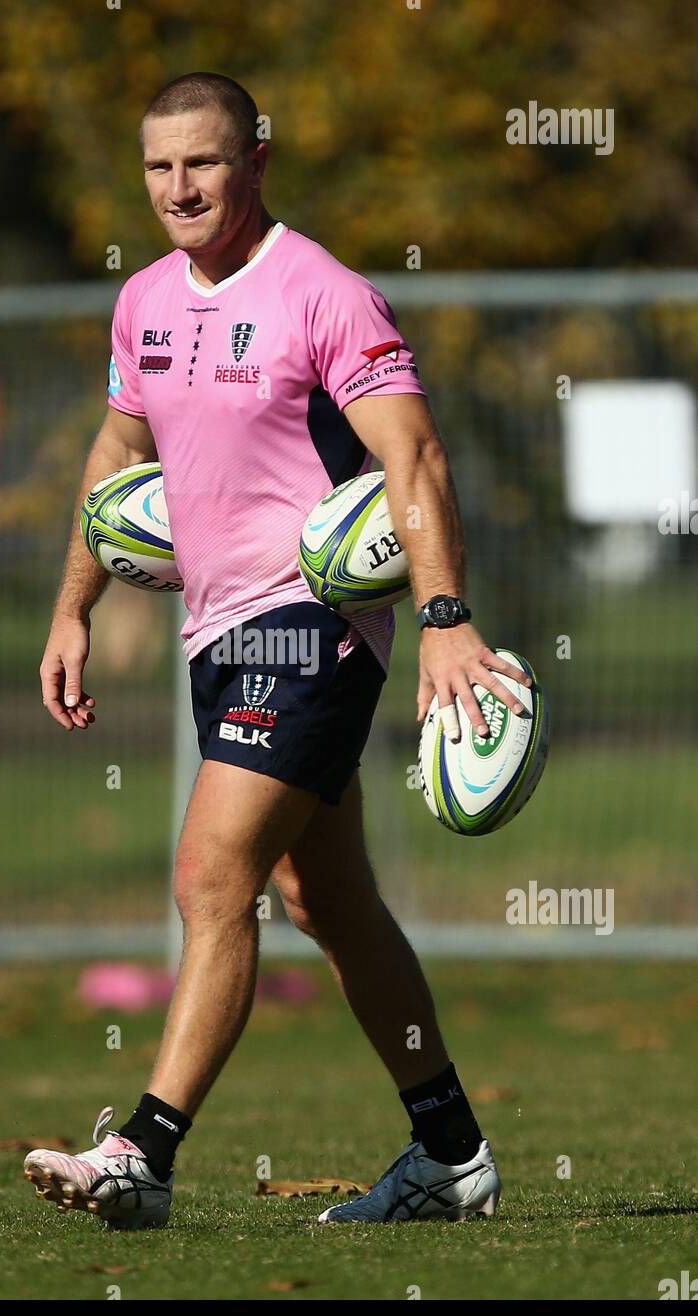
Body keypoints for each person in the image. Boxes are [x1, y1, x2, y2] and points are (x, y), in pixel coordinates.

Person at [30, 72, 531, 1228]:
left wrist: (445, 618)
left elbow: (415, 460)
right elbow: (116, 451)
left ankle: (142, 1154)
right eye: (158, 167)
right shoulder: (144, 301)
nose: (177, 188)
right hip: (213, 629)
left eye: (201, 162)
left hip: (312, 628)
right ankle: (449, 1154)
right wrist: (74, 605)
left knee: (211, 876)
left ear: (255, 157)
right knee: (327, 901)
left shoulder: (324, 294)